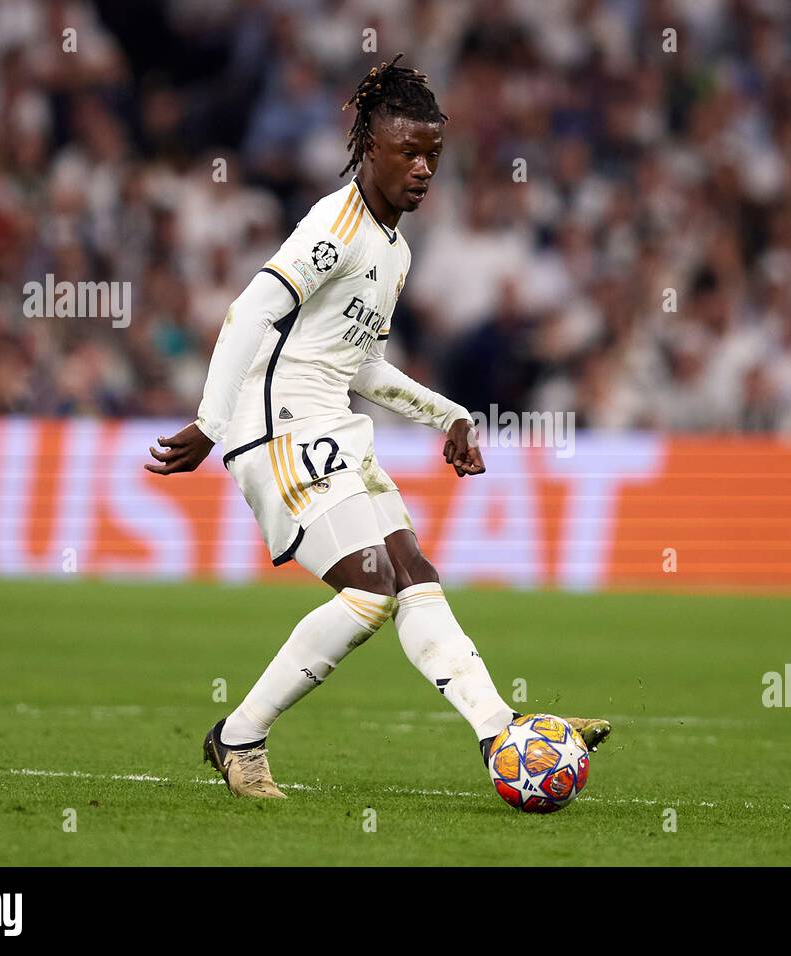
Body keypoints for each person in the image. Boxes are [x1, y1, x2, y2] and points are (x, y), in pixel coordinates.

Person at [145, 55, 610, 798]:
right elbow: (249, 311)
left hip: (332, 424)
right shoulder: (337, 224)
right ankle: (238, 737)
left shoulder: (396, 249)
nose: (423, 169)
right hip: (279, 425)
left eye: (433, 154)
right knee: (369, 590)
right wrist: (208, 422)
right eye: (408, 153)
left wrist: (449, 414)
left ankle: (501, 733)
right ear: (369, 149)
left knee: (413, 578)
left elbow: (358, 365)